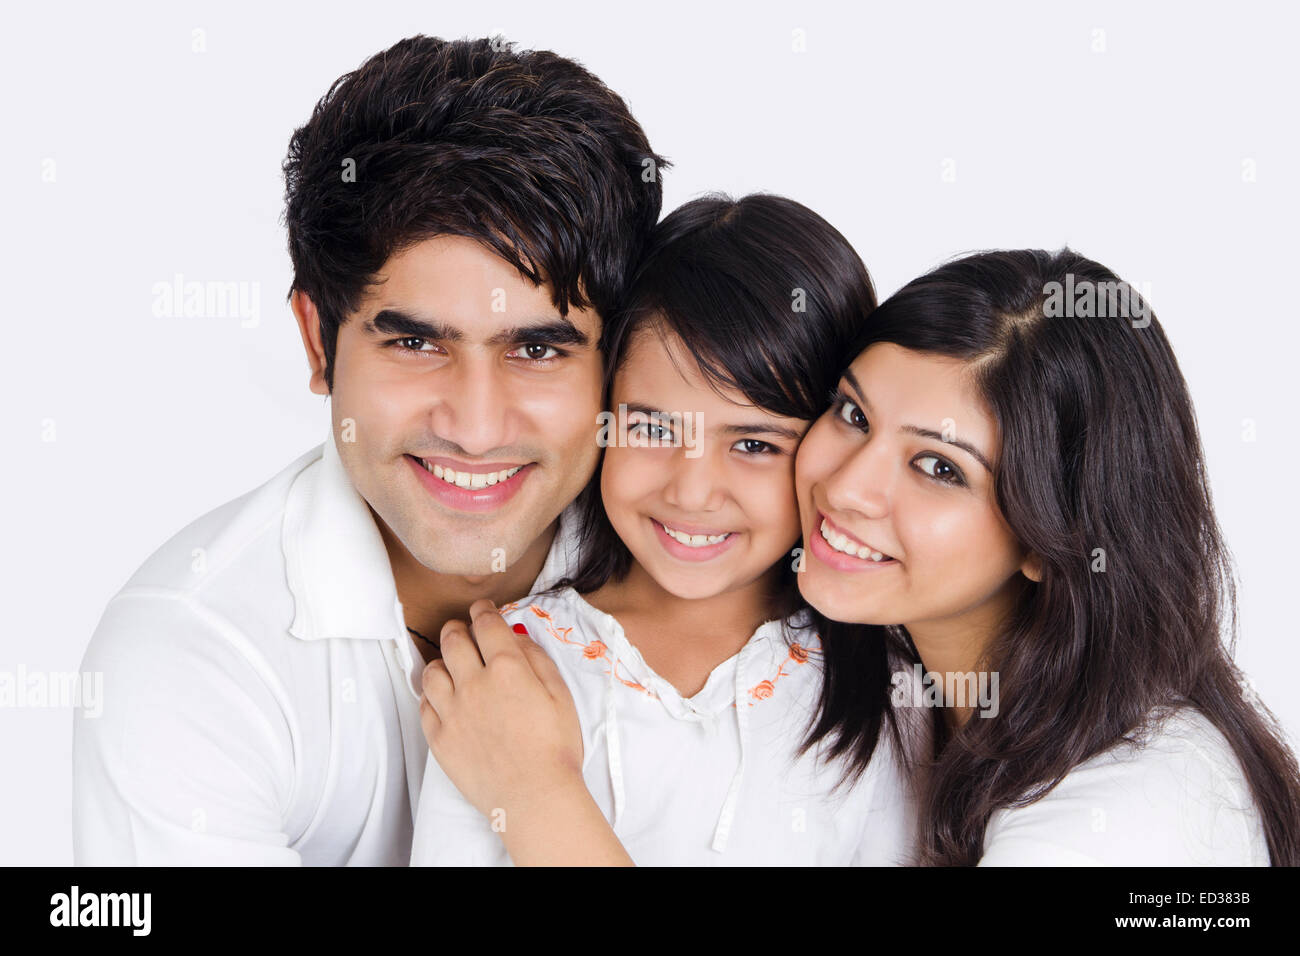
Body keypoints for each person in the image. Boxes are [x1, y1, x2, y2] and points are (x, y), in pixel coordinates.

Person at [72, 35, 665, 865]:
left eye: (537, 351)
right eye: (417, 344)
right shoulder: (190, 660)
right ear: (319, 343)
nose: (477, 425)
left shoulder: (711, 567)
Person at [412, 193, 921, 866]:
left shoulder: (885, 690)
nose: (691, 490)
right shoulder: (507, 671)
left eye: (755, 445)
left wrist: (541, 792)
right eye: (651, 428)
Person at [794, 248, 1300, 865]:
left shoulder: (1133, 804)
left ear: (1049, 537)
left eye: (939, 467)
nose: (845, 488)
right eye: (853, 414)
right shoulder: (909, 696)